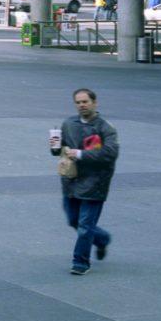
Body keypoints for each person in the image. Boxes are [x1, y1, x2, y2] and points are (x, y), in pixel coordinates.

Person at [51, 87, 119, 274]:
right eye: (78, 102)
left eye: (85, 102)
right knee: (73, 220)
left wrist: (80, 154)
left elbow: (110, 153)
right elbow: (60, 149)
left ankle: (80, 262)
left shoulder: (105, 128)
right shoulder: (68, 123)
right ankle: (102, 239)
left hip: (95, 183)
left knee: (85, 226)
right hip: (71, 181)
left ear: (94, 103)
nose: (81, 105)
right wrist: (55, 147)